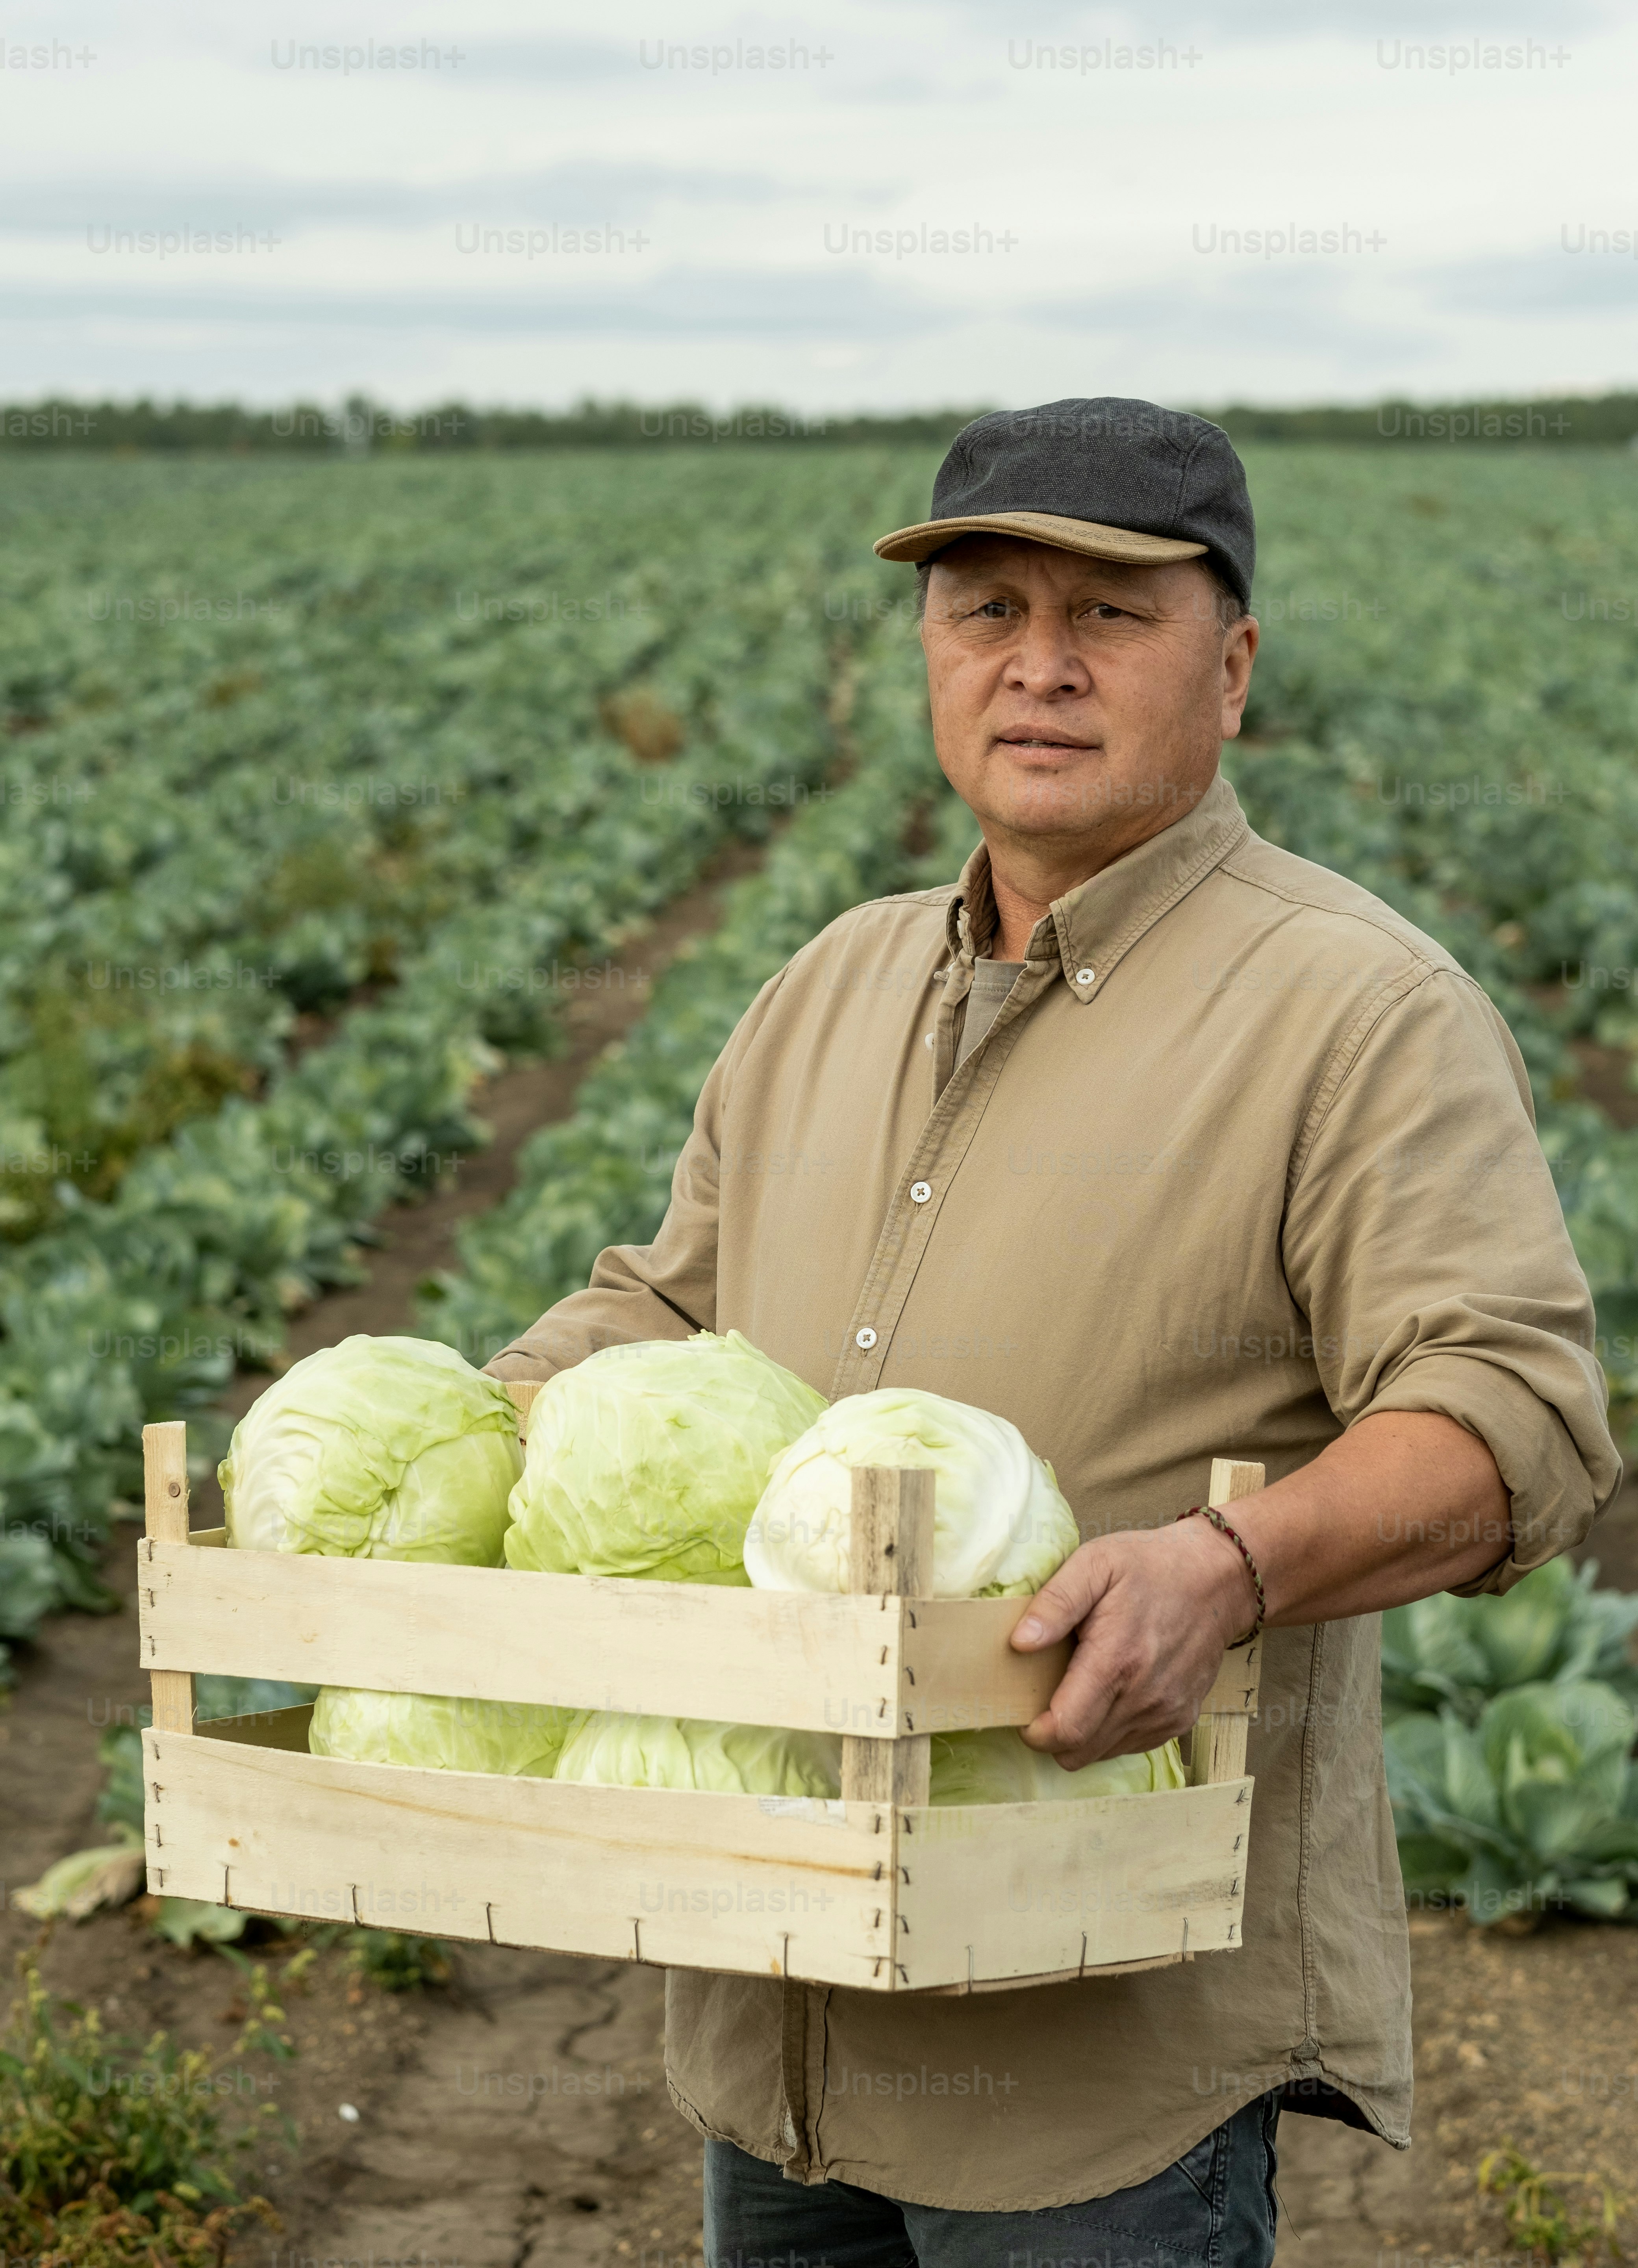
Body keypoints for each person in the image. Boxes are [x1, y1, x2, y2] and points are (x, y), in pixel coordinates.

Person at [489, 396, 1619, 2268]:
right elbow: (668, 1305)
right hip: (779, 1984)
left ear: (1232, 665)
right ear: (926, 659)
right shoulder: (828, 984)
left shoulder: (1353, 1012)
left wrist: (1223, 1570)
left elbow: (1513, 1420)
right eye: (984, 610)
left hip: (1099, 2047)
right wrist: (479, 1418)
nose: (1037, 668)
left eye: (1109, 615)